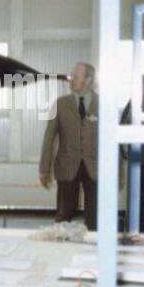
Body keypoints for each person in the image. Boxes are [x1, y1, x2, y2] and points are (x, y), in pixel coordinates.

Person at [39, 61, 98, 231]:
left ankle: (93, 255)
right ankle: (61, 253)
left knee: (95, 220)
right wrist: (44, 168)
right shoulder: (60, 104)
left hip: (95, 169)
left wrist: (118, 173)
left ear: (88, 80)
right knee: (63, 219)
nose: (70, 80)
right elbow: (49, 138)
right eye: (71, 76)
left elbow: (112, 140)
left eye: (75, 77)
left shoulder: (103, 104)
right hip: (66, 167)